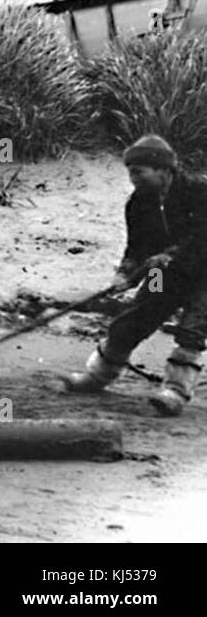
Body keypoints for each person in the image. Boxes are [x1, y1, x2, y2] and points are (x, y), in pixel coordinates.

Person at [64, 134, 207, 416]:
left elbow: (202, 235)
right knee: (136, 316)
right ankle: (97, 376)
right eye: (130, 172)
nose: (133, 178)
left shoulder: (200, 191)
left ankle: (175, 393)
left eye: (138, 172)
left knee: (192, 329)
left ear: (163, 170)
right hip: (165, 272)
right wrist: (125, 273)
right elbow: (137, 246)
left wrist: (171, 255)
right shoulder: (139, 203)